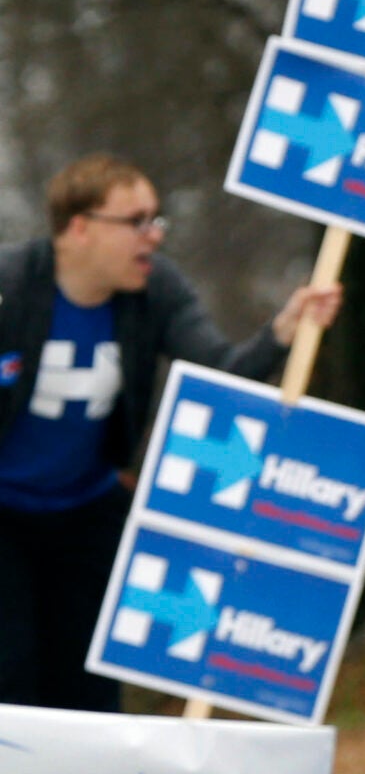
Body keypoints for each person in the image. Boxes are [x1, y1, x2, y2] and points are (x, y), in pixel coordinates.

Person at [0, 154, 341, 710]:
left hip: (86, 509)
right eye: (136, 221)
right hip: (4, 513)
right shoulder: (12, 284)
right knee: (11, 675)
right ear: (79, 228)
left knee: (87, 684)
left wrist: (282, 333)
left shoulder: (156, 291)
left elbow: (220, 371)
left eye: (157, 220)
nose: (153, 237)